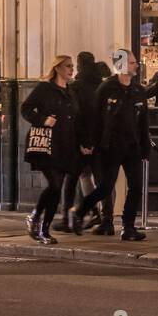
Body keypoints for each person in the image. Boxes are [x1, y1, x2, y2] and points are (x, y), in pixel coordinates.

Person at [73, 49, 151, 241]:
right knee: (106, 186)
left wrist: (145, 146)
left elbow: (143, 121)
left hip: (132, 146)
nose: (136, 65)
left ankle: (128, 226)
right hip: (110, 147)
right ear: (122, 65)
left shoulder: (138, 91)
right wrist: (91, 143)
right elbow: (95, 119)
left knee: (135, 186)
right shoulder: (106, 88)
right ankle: (93, 216)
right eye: (132, 63)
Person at [20, 55, 81, 245]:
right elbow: (26, 108)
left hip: (66, 145)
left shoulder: (71, 91)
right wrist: (43, 120)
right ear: (58, 68)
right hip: (47, 145)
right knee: (55, 185)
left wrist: (83, 142)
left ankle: (40, 223)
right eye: (68, 66)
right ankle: (39, 223)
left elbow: (76, 119)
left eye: (73, 66)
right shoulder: (45, 88)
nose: (72, 70)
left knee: (56, 189)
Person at [59, 52, 103, 232]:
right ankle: (100, 214)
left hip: (82, 140)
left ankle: (69, 218)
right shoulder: (102, 84)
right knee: (95, 178)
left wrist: (83, 142)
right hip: (99, 139)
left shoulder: (76, 87)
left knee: (71, 179)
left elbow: (78, 115)